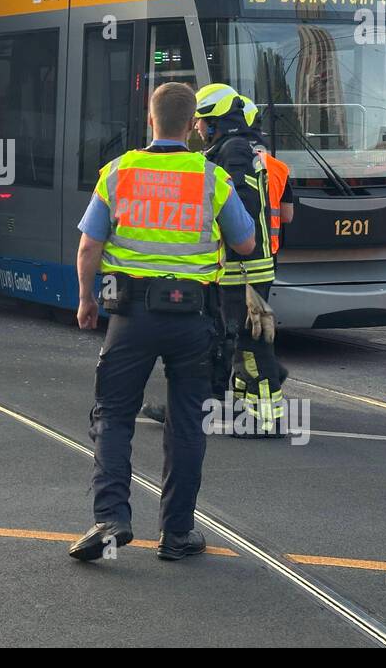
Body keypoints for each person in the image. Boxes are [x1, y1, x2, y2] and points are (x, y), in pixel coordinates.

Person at [69, 82, 256, 563]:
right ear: (193, 124)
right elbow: (244, 245)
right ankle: (177, 537)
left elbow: (89, 246)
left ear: (150, 119)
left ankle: (111, 519)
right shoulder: (210, 176)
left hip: (130, 317)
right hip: (193, 318)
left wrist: (87, 300)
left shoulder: (118, 171)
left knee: (112, 414)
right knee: (187, 423)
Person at [140, 87, 294, 438]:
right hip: (248, 266)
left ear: (216, 122)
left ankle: (265, 420)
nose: (196, 128)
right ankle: (245, 413)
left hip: (243, 268)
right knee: (241, 342)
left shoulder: (234, 151)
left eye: (202, 122)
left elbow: (240, 207)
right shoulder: (246, 148)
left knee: (252, 345)